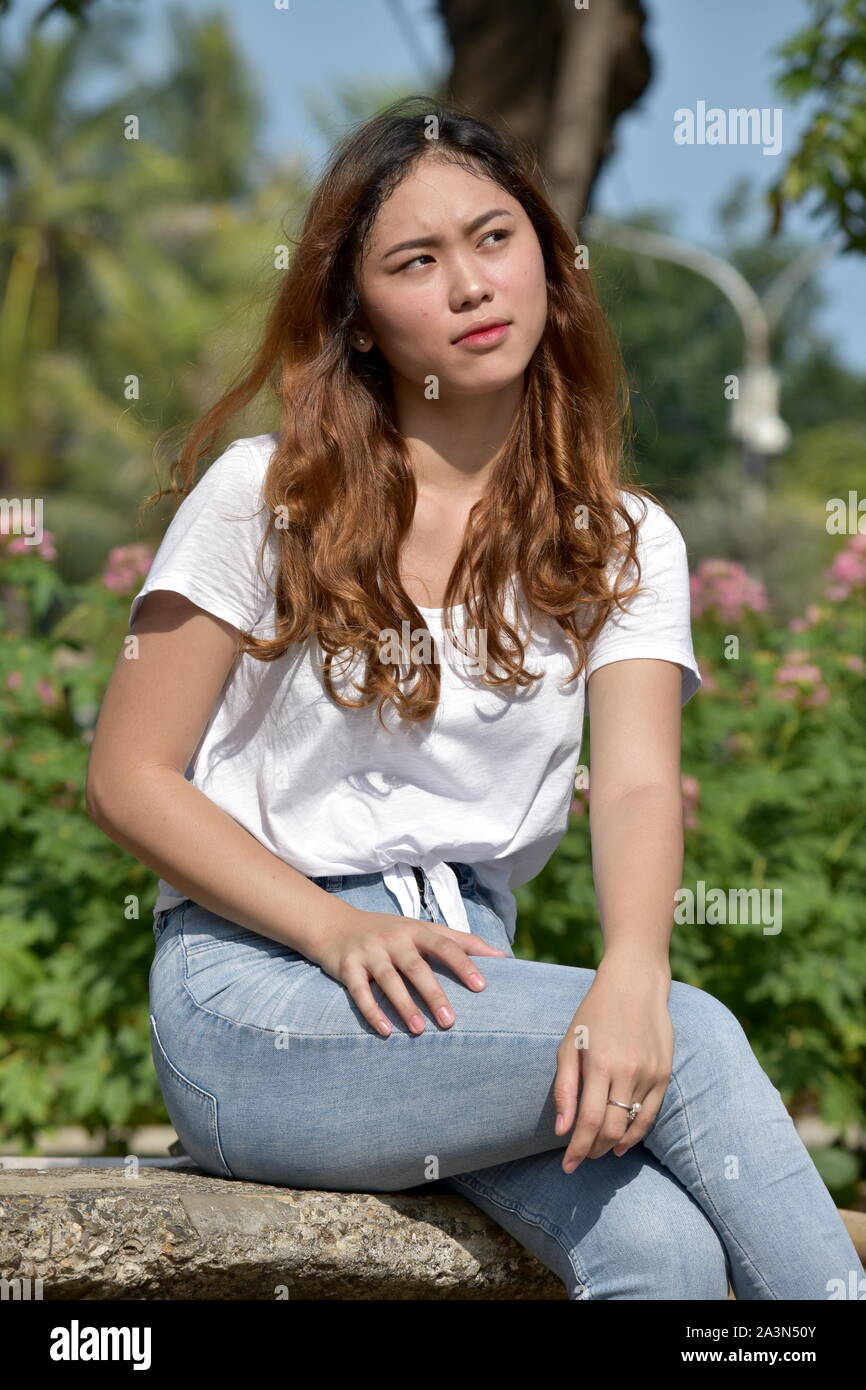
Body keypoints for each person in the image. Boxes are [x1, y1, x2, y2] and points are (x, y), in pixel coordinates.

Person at [86, 97, 864, 1301]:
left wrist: (628, 968)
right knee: (698, 1037)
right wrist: (333, 927)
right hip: (258, 994)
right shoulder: (264, 496)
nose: (468, 284)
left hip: (462, 996)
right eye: (415, 260)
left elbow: (642, 778)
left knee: (657, 1252)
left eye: (493, 238)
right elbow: (127, 779)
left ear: (548, 258)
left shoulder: (623, 540)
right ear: (355, 318)